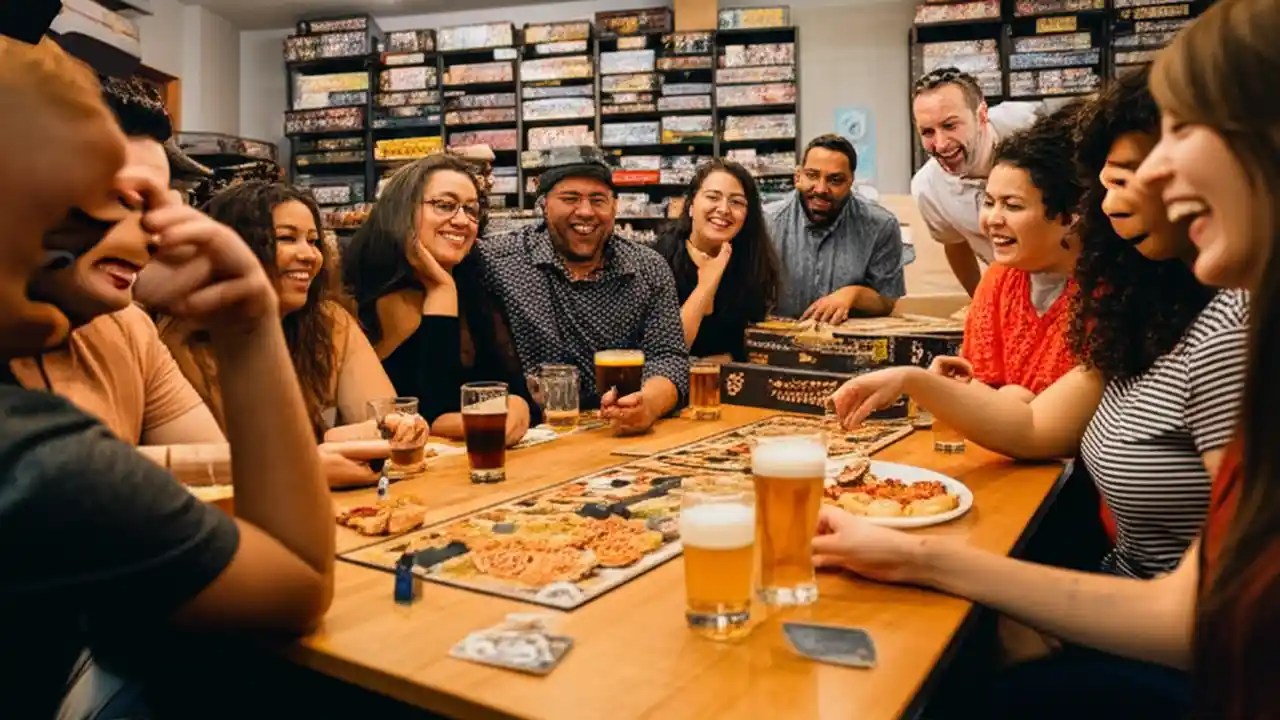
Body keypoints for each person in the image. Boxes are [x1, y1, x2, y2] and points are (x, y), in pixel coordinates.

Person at [818, 41, 1266, 716]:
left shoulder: (1235, 329)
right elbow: (1032, 425)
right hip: (1116, 600)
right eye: (1107, 177)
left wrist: (927, 563)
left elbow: (1205, 620)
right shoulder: (1152, 309)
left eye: (1130, 170)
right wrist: (912, 377)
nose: (1104, 203)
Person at [0, 36, 330, 718]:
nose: (158, 230)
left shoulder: (120, 330)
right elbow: (294, 583)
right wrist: (249, 324)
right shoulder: (36, 455)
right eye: (120, 196)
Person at [12, 75, 224, 446]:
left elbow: (216, 470)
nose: (155, 237)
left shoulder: (128, 330)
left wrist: (249, 330)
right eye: (124, 202)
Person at [159, 181, 398, 444]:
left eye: (312, 241)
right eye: (286, 238)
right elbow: (210, 463)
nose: (309, 255)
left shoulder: (329, 322)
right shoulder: (181, 339)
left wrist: (394, 428)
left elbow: (383, 417)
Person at [479, 158, 688, 435]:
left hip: (621, 434)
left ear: (615, 207)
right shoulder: (498, 259)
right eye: (570, 198)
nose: (586, 211)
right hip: (528, 435)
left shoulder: (647, 268)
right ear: (543, 205)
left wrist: (648, 403)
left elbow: (669, 357)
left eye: (598, 200)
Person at [344, 154, 536, 447]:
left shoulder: (475, 281)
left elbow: (516, 394)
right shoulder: (370, 298)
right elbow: (434, 414)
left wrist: (518, 405)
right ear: (402, 212)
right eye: (444, 206)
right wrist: (441, 290)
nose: (462, 221)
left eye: (471, 210)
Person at [945, 104, 1084, 398]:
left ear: (1069, 216)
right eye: (989, 202)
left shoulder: (1106, 297)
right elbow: (978, 381)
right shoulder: (998, 280)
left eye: (1012, 205)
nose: (993, 220)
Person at [910, 67, 1041, 296]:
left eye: (950, 126)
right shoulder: (928, 188)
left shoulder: (1032, 125)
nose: (941, 144)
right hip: (1013, 292)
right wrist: (980, 302)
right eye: (928, 132)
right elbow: (954, 241)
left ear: (981, 115)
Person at [653, 158, 782, 360]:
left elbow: (751, 347)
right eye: (713, 197)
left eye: (736, 202)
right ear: (691, 205)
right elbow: (665, 351)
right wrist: (705, 287)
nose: (724, 209)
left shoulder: (752, 261)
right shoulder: (657, 261)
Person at [766, 134, 903, 321]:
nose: (821, 188)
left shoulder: (880, 226)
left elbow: (886, 301)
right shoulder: (766, 223)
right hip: (775, 340)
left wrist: (852, 295)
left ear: (851, 182)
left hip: (847, 343)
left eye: (835, 180)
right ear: (798, 177)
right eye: (812, 175)